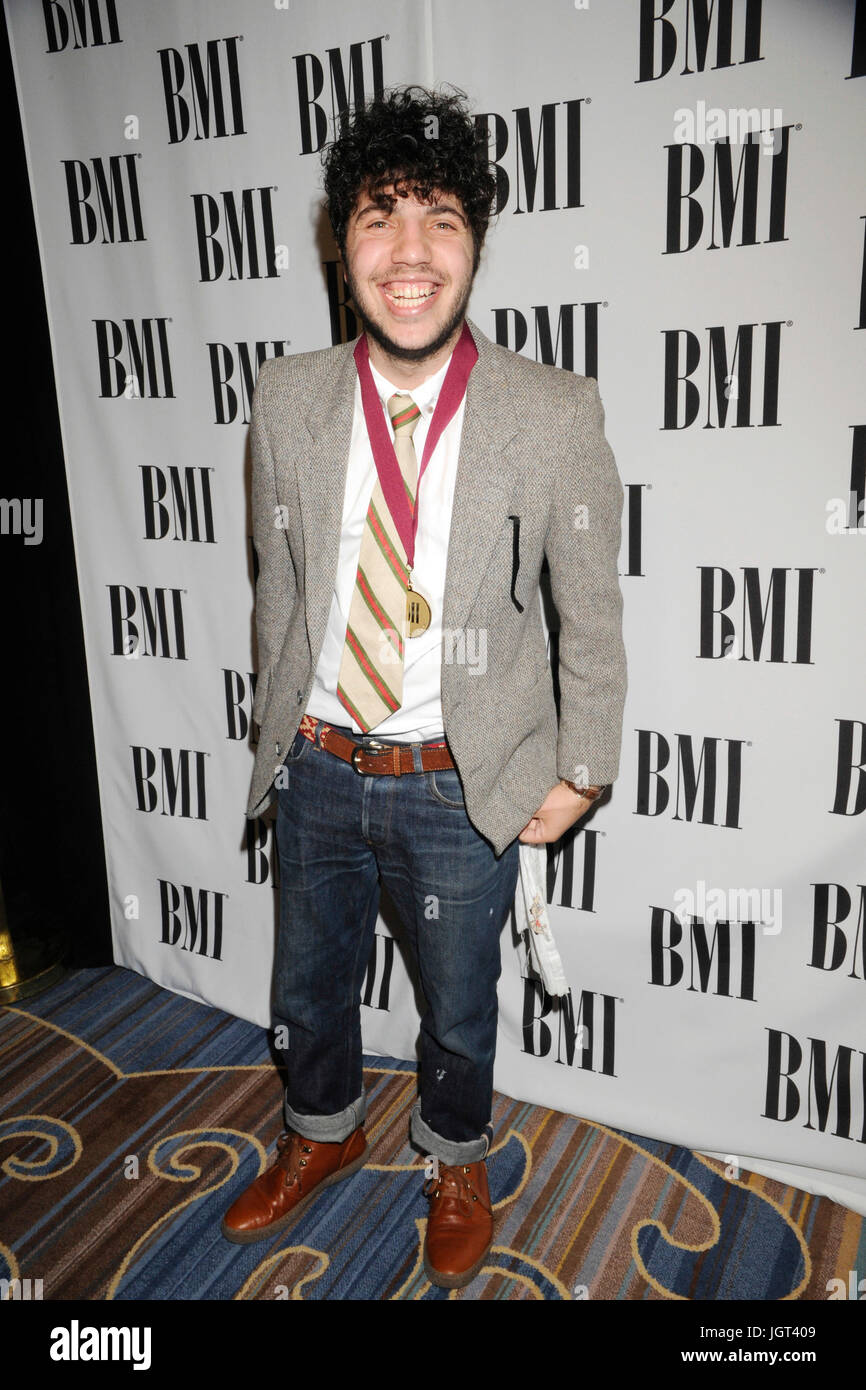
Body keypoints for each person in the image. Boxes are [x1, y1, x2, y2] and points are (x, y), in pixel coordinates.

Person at [222, 85, 627, 1290]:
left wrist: (583, 762)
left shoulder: (553, 412)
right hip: (321, 763)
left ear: (476, 244)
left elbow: (588, 608)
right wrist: (278, 729)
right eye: (378, 217)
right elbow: (277, 590)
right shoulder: (285, 398)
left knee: (457, 1002)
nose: (408, 252)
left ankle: (455, 1152)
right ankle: (321, 1130)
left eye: (439, 218)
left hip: (461, 780)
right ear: (339, 246)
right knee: (307, 982)